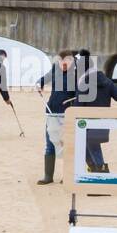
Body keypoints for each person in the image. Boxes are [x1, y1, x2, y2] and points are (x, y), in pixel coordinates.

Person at [75, 49, 117, 172]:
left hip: (87, 123)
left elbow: (78, 106)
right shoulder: (106, 80)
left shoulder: (84, 82)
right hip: (103, 121)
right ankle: (96, 170)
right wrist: (115, 86)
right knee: (91, 145)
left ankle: (100, 173)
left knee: (88, 146)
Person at [36, 50, 78, 185]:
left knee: (66, 145)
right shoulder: (55, 69)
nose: (63, 63)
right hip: (51, 111)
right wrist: (39, 83)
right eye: (61, 60)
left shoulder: (77, 74)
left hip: (67, 114)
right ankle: (48, 176)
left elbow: (81, 94)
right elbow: (45, 78)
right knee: (49, 144)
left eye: (67, 60)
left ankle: (67, 176)